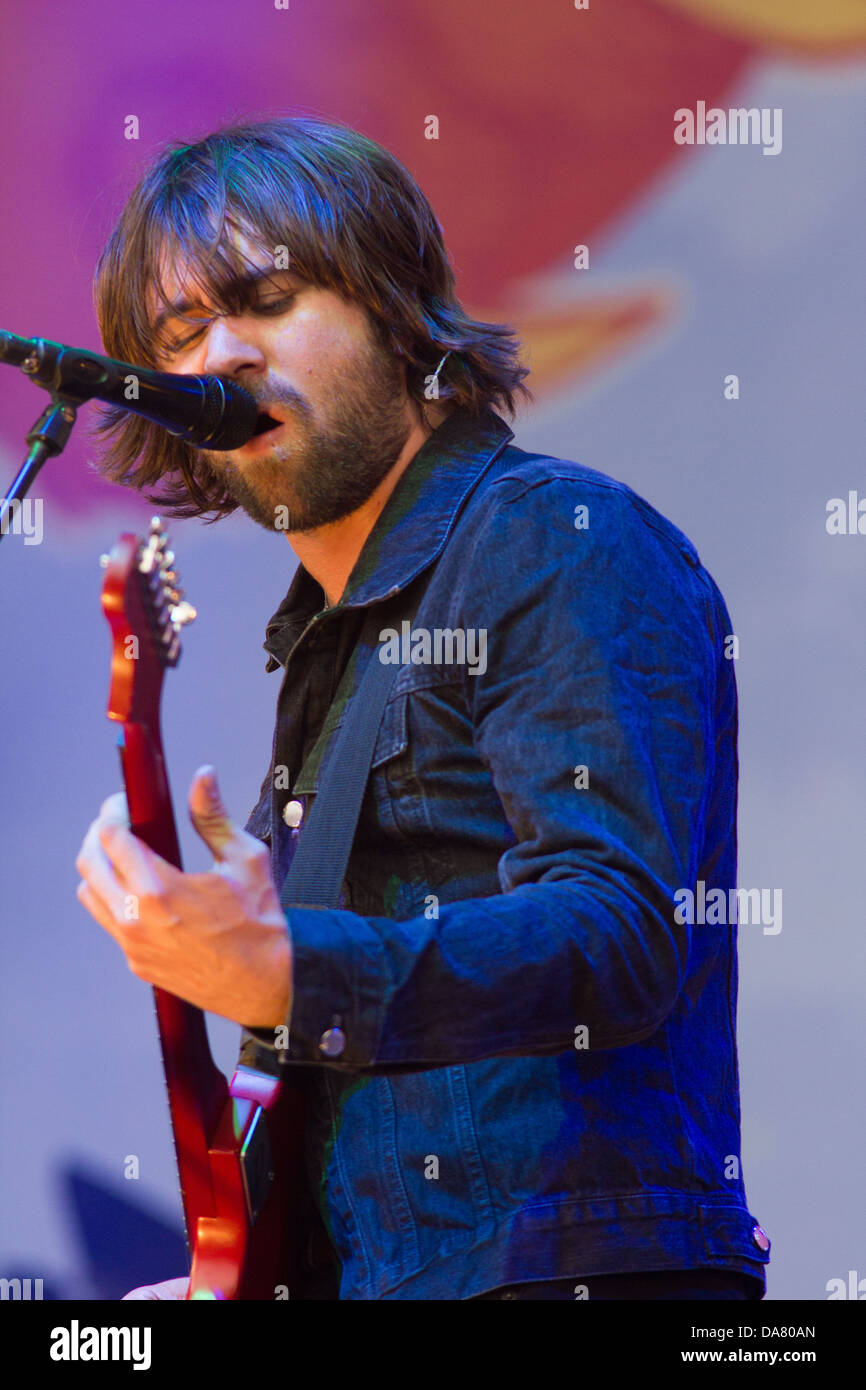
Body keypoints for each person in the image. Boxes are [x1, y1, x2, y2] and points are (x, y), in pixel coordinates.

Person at [75, 115, 771, 1301]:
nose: (220, 357)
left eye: (267, 298)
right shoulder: (325, 647)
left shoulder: (553, 540)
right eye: (181, 333)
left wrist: (291, 971)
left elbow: (615, 933)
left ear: (395, 310)